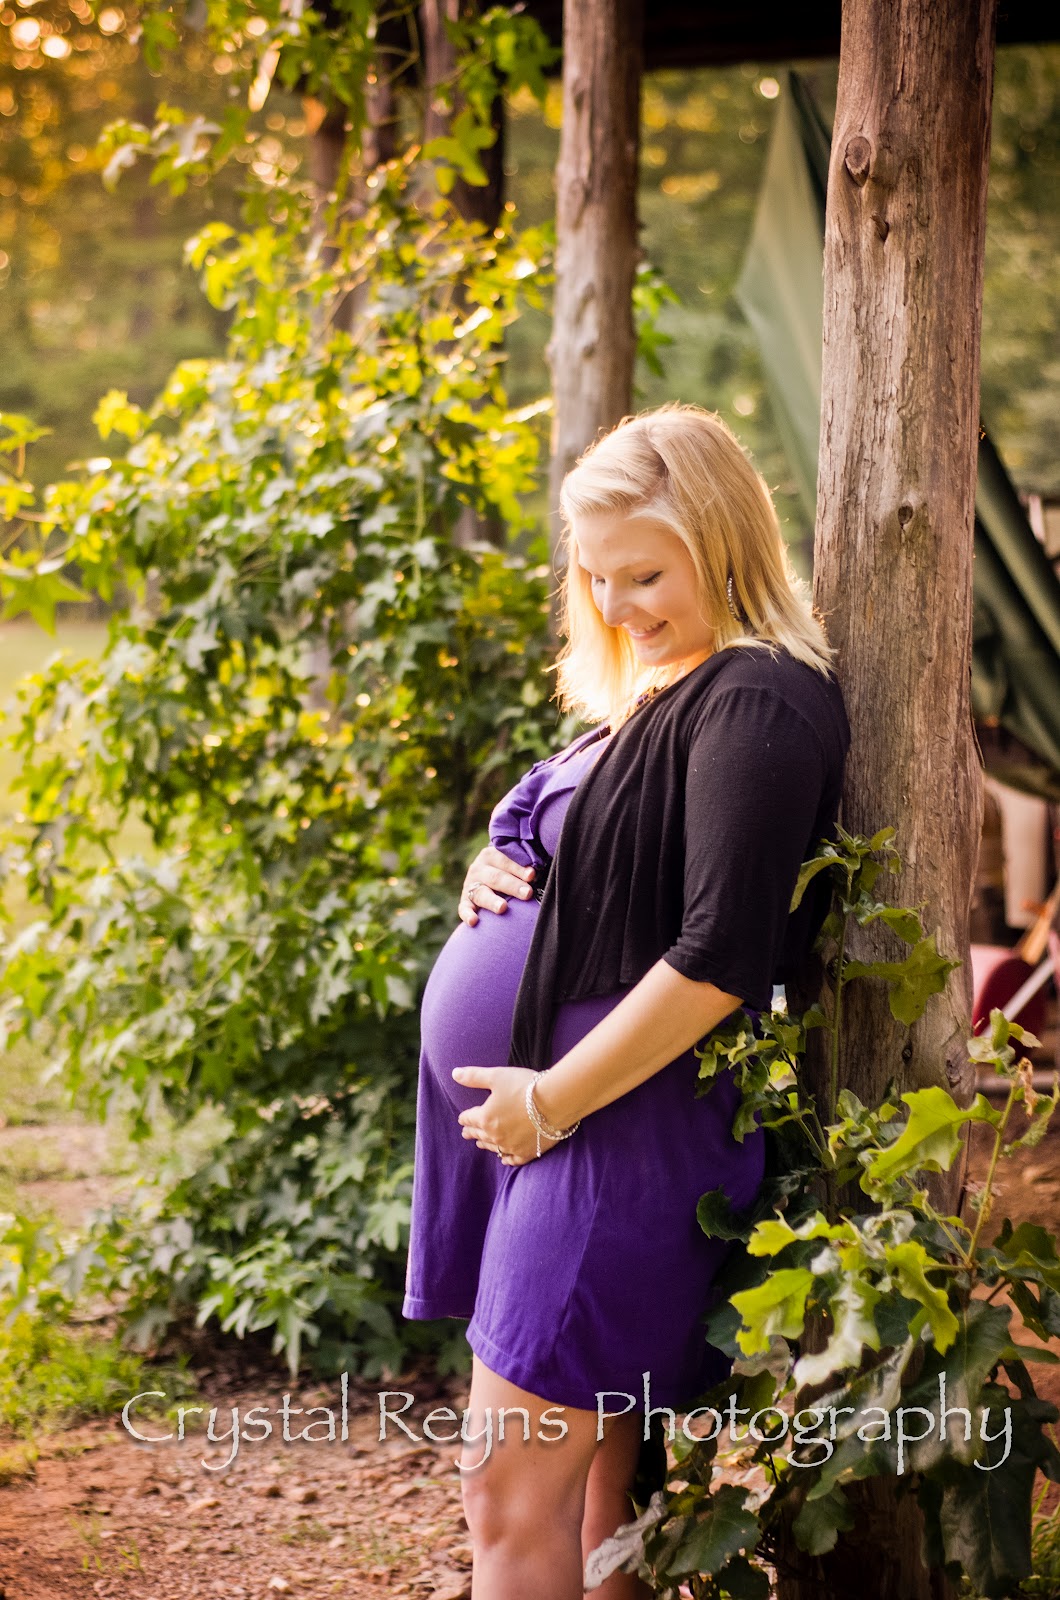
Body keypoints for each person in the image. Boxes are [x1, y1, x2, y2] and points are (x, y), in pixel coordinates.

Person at [401, 402, 850, 1599]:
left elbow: (717, 955)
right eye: (595, 579)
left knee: (508, 1493)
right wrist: (496, 861)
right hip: (561, 1130)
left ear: (723, 537)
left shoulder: (752, 699)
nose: (616, 606)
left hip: (610, 1132)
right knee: (602, 1499)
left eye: (644, 573)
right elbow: (591, 859)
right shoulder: (664, 690)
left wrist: (549, 1100)